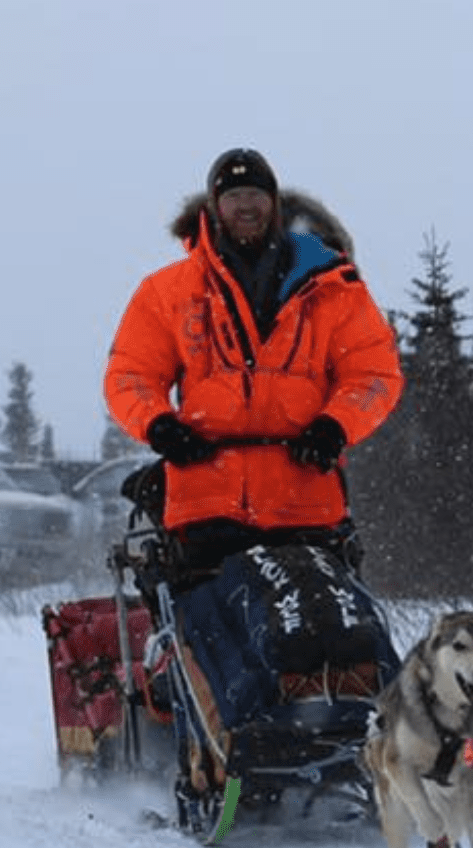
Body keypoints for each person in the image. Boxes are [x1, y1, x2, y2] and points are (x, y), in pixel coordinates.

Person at [103, 147, 403, 579]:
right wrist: (158, 424)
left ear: (274, 203)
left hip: (306, 505)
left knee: (326, 636)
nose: (246, 206)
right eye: (234, 196)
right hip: (205, 506)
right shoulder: (167, 292)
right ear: (214, 206)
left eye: (257, 194)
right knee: (215, 637)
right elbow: (130, 376)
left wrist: (336, 425)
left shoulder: (336, 288)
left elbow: (374, 374)